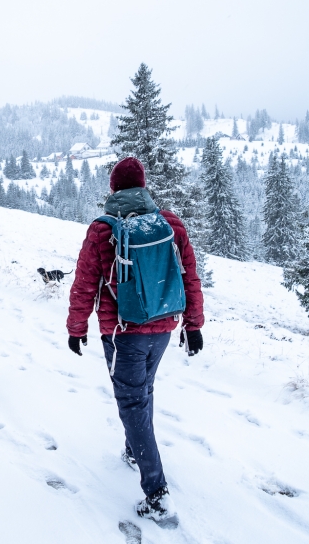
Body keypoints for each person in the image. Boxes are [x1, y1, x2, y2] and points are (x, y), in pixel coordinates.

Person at [66, 157, 204, 525]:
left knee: (130, 400)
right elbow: (190, 276)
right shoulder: (170, 223)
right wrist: (193, 325)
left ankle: (157, 494)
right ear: (143, 186)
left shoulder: (102, 229)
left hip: (122, 331)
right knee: (144, 390)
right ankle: (133, 448)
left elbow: (84, 285)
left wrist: (76, 328)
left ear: (113, 189)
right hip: (164, 326)